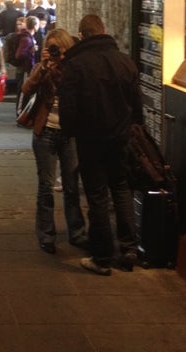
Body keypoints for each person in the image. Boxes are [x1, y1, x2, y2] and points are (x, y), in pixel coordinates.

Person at [59, 14, 143, 276]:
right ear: (104, 31)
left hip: (90, 139)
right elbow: (137, 106)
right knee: (121, 189)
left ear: (82, 36)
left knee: (97, 195)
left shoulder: (76, 65)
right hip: (120, 138)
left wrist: (70, 132)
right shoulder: (124, 61)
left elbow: (69, 108)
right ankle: (129, 249)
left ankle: (103, 257)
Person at [20, 28, 87, 254]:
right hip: (45, 131)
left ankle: (77, 232)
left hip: (69, 133)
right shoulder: (44, 68)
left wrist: (67, 65)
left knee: (71, 186)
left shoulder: (75, 68)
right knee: (46, 186)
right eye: (52, 48)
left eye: (60, 48)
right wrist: (43, 68)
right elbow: (26, 89)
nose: (57, 52)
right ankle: (46, 234)